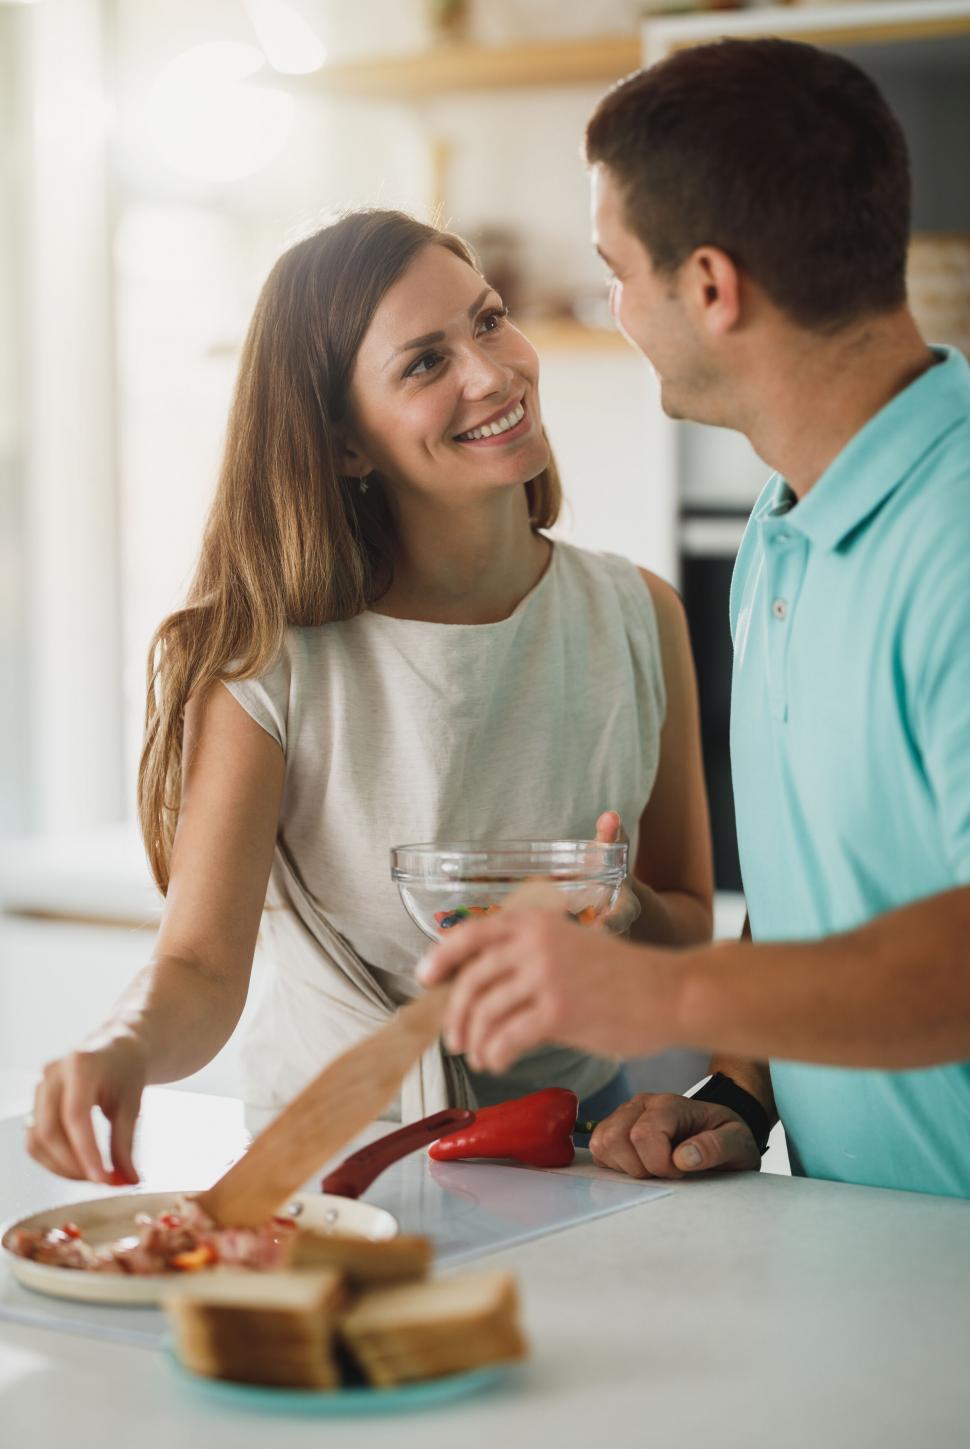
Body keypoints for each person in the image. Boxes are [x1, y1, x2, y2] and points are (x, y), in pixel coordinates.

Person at [26, 208, 714, 1185]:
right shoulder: (271, 660)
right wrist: (123, 1047)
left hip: (579, 1138)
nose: (491, 372)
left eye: (486, 320)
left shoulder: (638, 615)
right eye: (424, 363)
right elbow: (199, 969)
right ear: (347, 446)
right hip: (336, 1156)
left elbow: (688, 921)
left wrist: (613, 903)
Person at [420, 39, 970, 1200]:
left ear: (712, 288)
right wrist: (740, 1088)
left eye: (616, 270)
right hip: (866, 1258)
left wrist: (660, 995)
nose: (612, 308)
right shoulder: (786, 525)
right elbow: (840, 890)